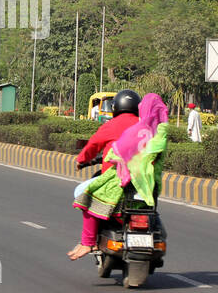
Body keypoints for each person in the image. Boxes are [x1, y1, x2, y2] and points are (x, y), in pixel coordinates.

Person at [68, 90, 168, 260]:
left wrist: (82, 160)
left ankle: (88, 242)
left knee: (84, 196)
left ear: (115, 107)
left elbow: (100, 147)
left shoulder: (116, 126)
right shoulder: (155, 131)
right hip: (147, 185)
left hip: (118, 180)